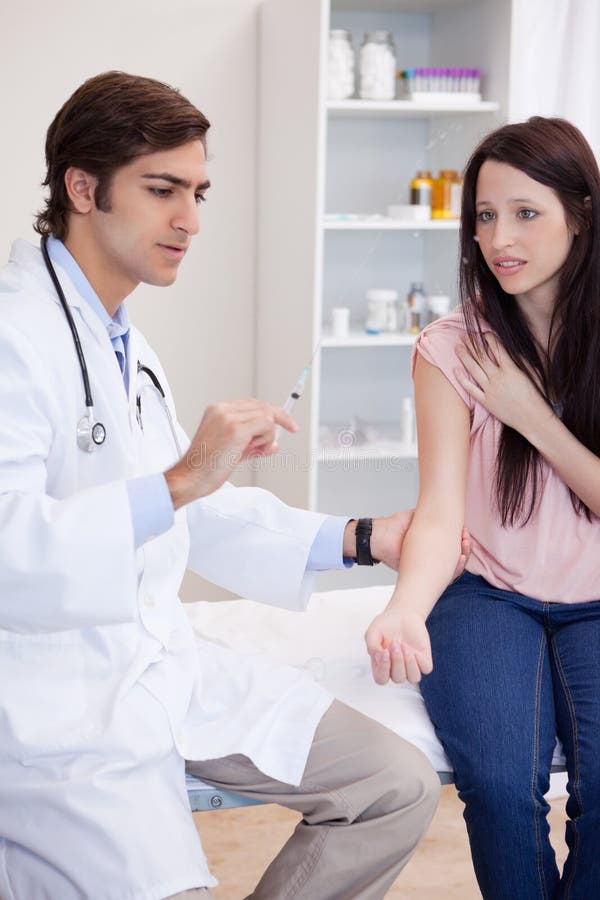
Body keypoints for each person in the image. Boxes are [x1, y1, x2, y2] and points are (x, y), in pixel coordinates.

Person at [0, 70, 448, 900]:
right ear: (82, 187)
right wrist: (178, 479)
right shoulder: (14, 337)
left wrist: (363, 538)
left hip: (165, 665)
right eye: (163, 190)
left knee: (395, 786)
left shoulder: (122, 339)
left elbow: (188, 513)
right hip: (55, 701)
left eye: (199, 193)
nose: (190, 221)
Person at [364, 115, 600, 899]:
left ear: (582, 213)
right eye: (486, 216)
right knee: (500, 787)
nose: (500, 237)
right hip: (486, 597)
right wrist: (405, 606)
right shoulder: (448, 347)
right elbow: (440, 514)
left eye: (526, 213)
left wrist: (527, 412)